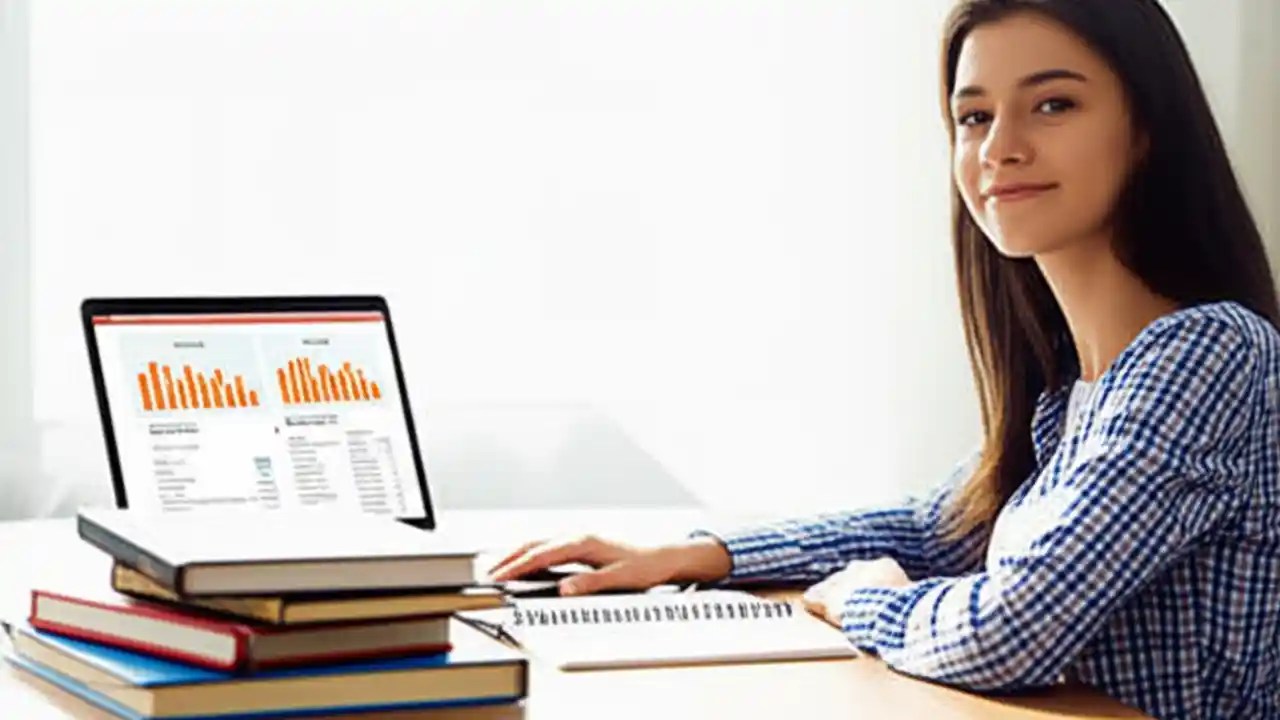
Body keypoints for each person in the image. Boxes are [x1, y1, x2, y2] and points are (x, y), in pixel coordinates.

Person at [488, 1, 1280, 717]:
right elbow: (936, 529)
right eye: (972, 117)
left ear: (1147, 130)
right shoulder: (1074, 395)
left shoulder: (1207, 352)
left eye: (1053, 104)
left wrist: (870, 602)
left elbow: (1013, 628)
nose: (1001, 148)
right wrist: (703, 553)